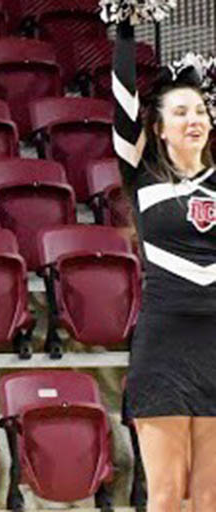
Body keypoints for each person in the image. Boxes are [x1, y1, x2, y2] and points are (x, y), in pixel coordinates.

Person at [115, 18, 216, 512]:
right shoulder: (143, 178)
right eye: (180, 112)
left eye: (200, 110)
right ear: (158, 127)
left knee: (210, 497)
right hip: (164, 346)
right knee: (167, 496)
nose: (193, 119)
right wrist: (127, 29)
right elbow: (120, 108)